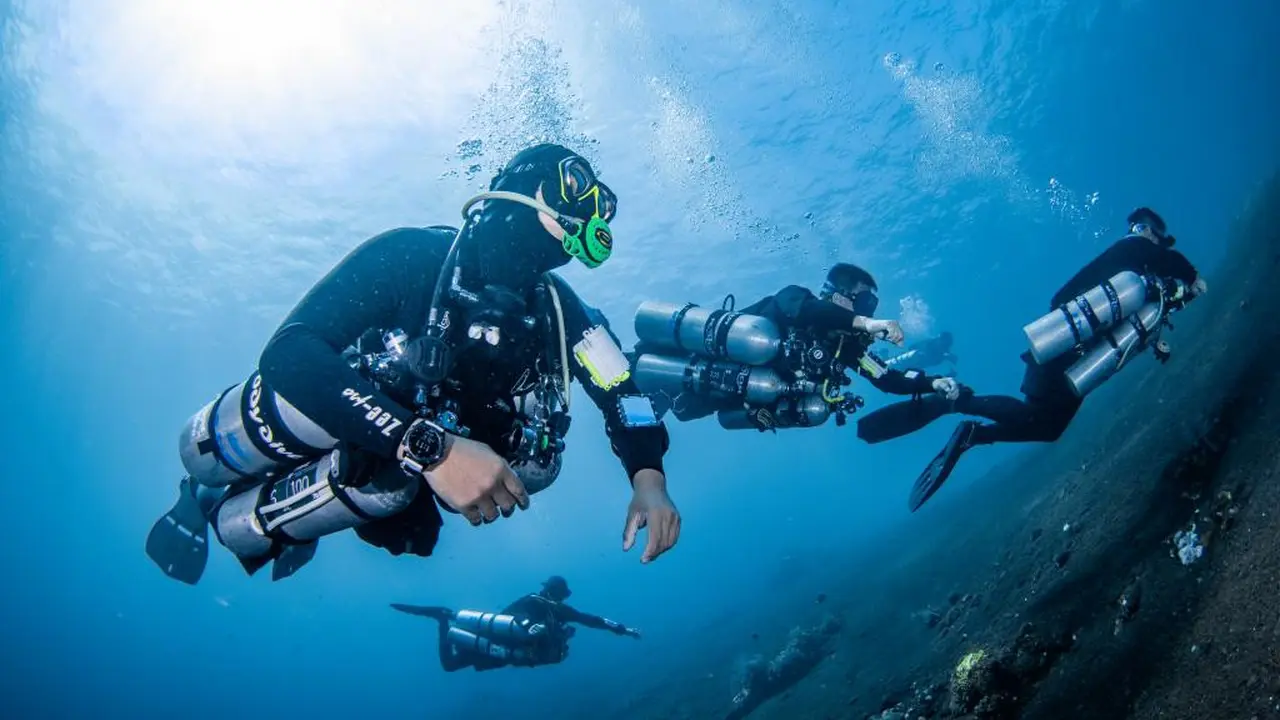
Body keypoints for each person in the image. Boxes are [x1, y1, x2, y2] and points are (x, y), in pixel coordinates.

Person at [146, 144, 682, 585]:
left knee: (406, 528)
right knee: (370, 475)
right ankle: (208, 489)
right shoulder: (412, 258)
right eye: (574, 186)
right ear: (522, 185)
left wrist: (649, 477)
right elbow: (290, 354)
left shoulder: (563, 314)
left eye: (600, 205)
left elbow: (624, 393)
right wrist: (432, 450)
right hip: (352, 418)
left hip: (394, 466)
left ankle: (286, 514)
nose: (589, 210)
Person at [857, 208, 1207, 510]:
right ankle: (962, 407)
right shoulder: (1134, 251)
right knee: (1036, 417)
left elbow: (1130, 320)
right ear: (1148, 230)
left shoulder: (1129, 275)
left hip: (1067, 349)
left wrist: (1155, 339)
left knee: (1048, 427)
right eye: (1159, 237)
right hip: (1063, 348)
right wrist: (1194, 278)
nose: (1159, 244)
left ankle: (974, 432)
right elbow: (1169, 262)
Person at [630, 262, 963, 432]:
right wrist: (867, 324)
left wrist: (931, 382)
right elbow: (814, 312)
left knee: (679, 410)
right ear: (839, 294)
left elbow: (886, 378)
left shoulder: (846, 349)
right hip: (695, 359)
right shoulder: (796, 299)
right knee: (631, 374)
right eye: (864, 300)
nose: (868, 309)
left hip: (725, 394)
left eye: (871, 304)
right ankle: (612, 371)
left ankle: (631, 412)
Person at [390, 575, 641, 672]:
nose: (561, 599)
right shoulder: (533, 601)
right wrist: (525, 624)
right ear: (555, 592)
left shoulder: (560, 611)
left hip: (508, 652)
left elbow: (592, 620)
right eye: (561, 594)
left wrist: (622, 629)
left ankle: (445, 620)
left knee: (451, 665)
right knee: (451, 665)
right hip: (500, 642)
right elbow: (515, 612)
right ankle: (442, 619)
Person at [725, 614, 842, 720]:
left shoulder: (813, 648)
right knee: (749, 699)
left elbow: (798, 656)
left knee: (750, 699)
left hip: (779, 674)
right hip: (779, 673)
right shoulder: (813, 645)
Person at [885, 330, 958, 372]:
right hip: (914, 359)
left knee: (900, 367)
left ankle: (886, 361)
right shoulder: (931, 342)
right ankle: (886, 360)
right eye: (940, 339)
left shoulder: (943, 353)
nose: (940, 342)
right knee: (900, 363)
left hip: (917, 364)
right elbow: (912, 347)